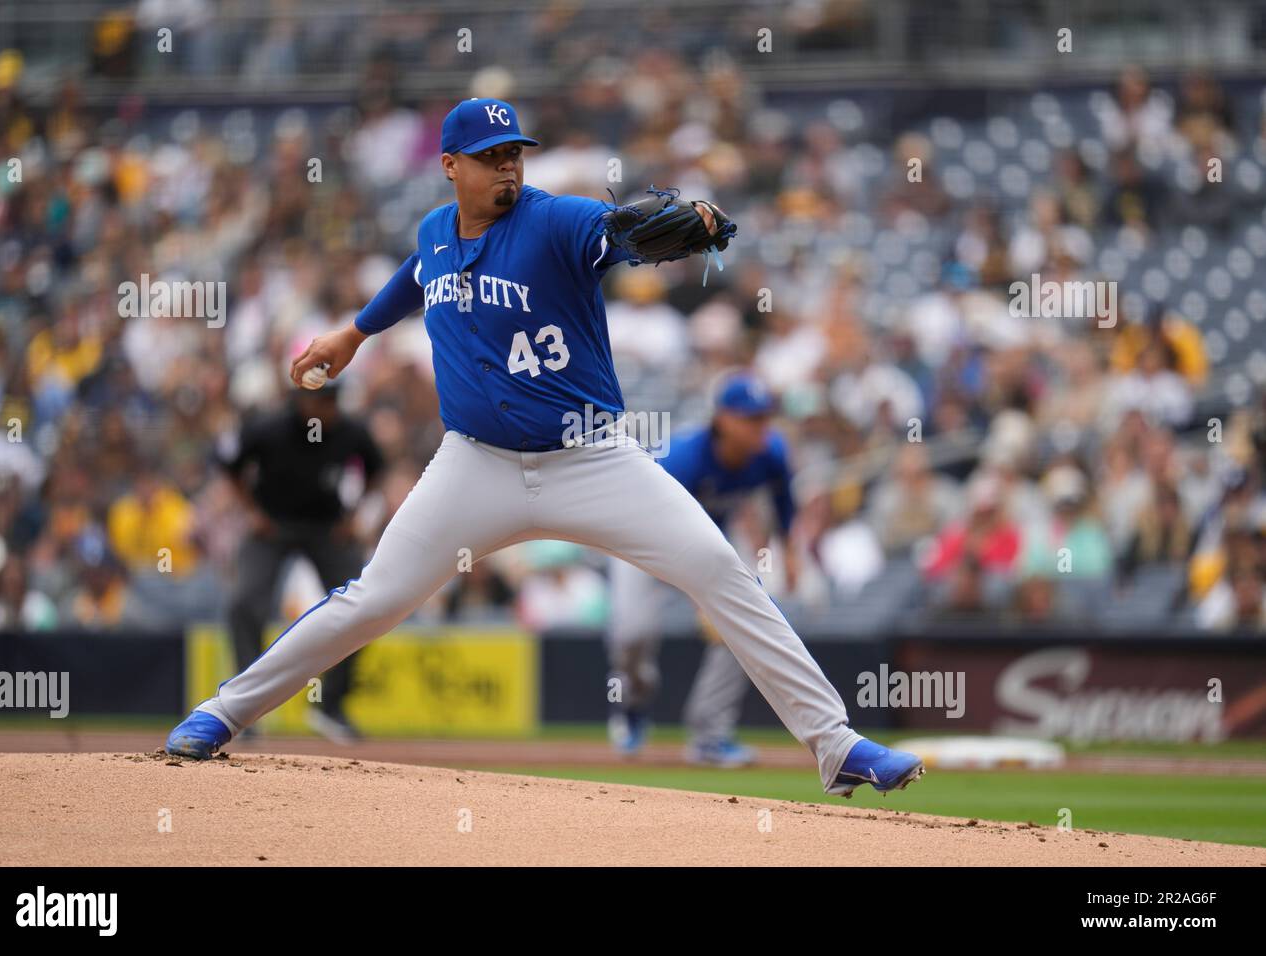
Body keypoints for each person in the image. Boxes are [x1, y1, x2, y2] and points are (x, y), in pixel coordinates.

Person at [165, 98, 924, 800]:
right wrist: (356, 332)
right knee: (373, 600)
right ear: (451, 166)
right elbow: (417, 275)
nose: (508, 166)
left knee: (720, 570)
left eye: (515, 154)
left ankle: (837, 744)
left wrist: (659, 223)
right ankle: (223, 714)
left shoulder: (556, 221)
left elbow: (616, 232)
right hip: (475, 465)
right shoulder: (435, 231)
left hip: (593, 459)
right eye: (491, 155)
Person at [606, 373, 799, 768]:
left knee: (741, 621)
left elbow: (784, 502)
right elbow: (659, 527)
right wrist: (699, 595)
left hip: (707, 545)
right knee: (631, 635)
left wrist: (791, 551)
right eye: (751, 419)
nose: (761, 427)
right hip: (637, 538)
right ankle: (633, 704)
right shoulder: (686, 458)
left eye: (765, 418)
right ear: (723, 419)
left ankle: (710, 735)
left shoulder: (771, 452)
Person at [216, 378, 383, 742]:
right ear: (301, 401)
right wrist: (251, 511)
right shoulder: (268, 428)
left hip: (326, 527)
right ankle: (244, 708)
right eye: (323, 399)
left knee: (368, 604)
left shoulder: (349, 431)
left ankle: (331, 707)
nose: (330, 406)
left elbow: (376, 468)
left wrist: (353, 516)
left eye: (334, 398)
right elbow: (229, 465)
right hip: (272, 526)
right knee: (244, 603)